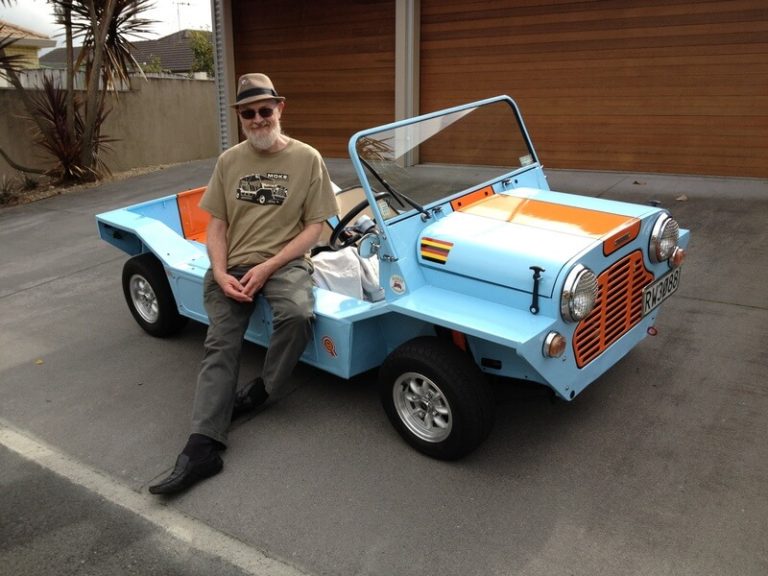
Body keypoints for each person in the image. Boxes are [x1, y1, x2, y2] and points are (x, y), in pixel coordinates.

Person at [149, 73, 339, 495]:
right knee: (221, 341)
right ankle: (201, 447)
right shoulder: (229, 162)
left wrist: (270, 266)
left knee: (296, 315)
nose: (257, 119)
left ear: (280, 109)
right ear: (239, 116)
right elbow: (216, 225)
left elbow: (314, 228)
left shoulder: (308, 158)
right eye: (248, 113)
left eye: (264, 110)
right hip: (232, 266)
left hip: (285, 263)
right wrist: (219, 271)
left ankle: (264, 390)